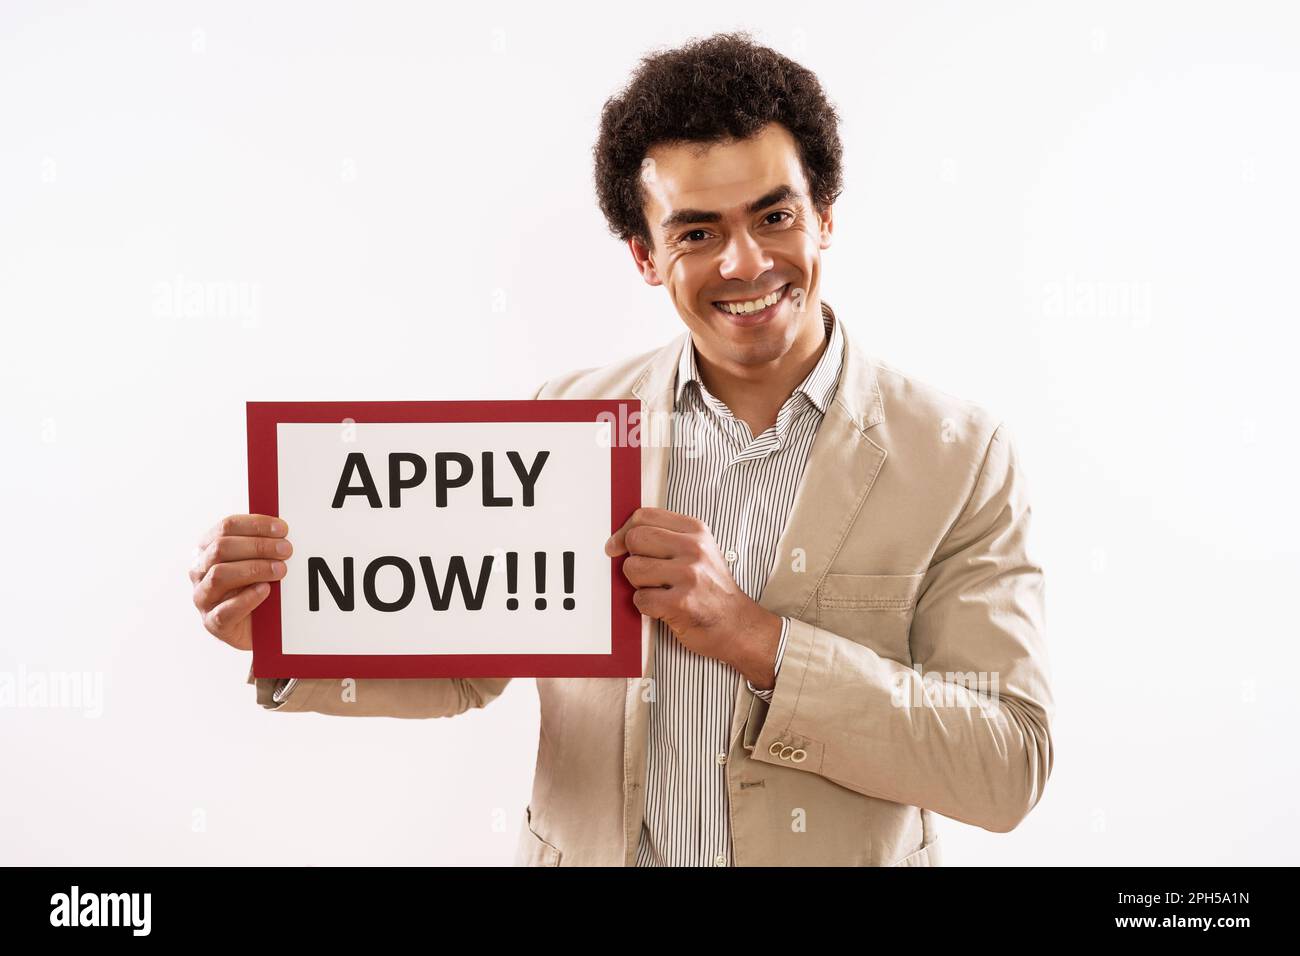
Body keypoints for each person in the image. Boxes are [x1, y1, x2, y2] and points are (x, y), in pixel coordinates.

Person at [190, 32, 1054, 866]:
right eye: (697, 232)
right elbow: (467, 669)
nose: (745, 263)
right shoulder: (566, 423)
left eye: (775, 215)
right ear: (646, 255)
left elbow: (1006, 765)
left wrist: (759, 639)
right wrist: (282, 628)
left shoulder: (960, 456)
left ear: (825, 217)